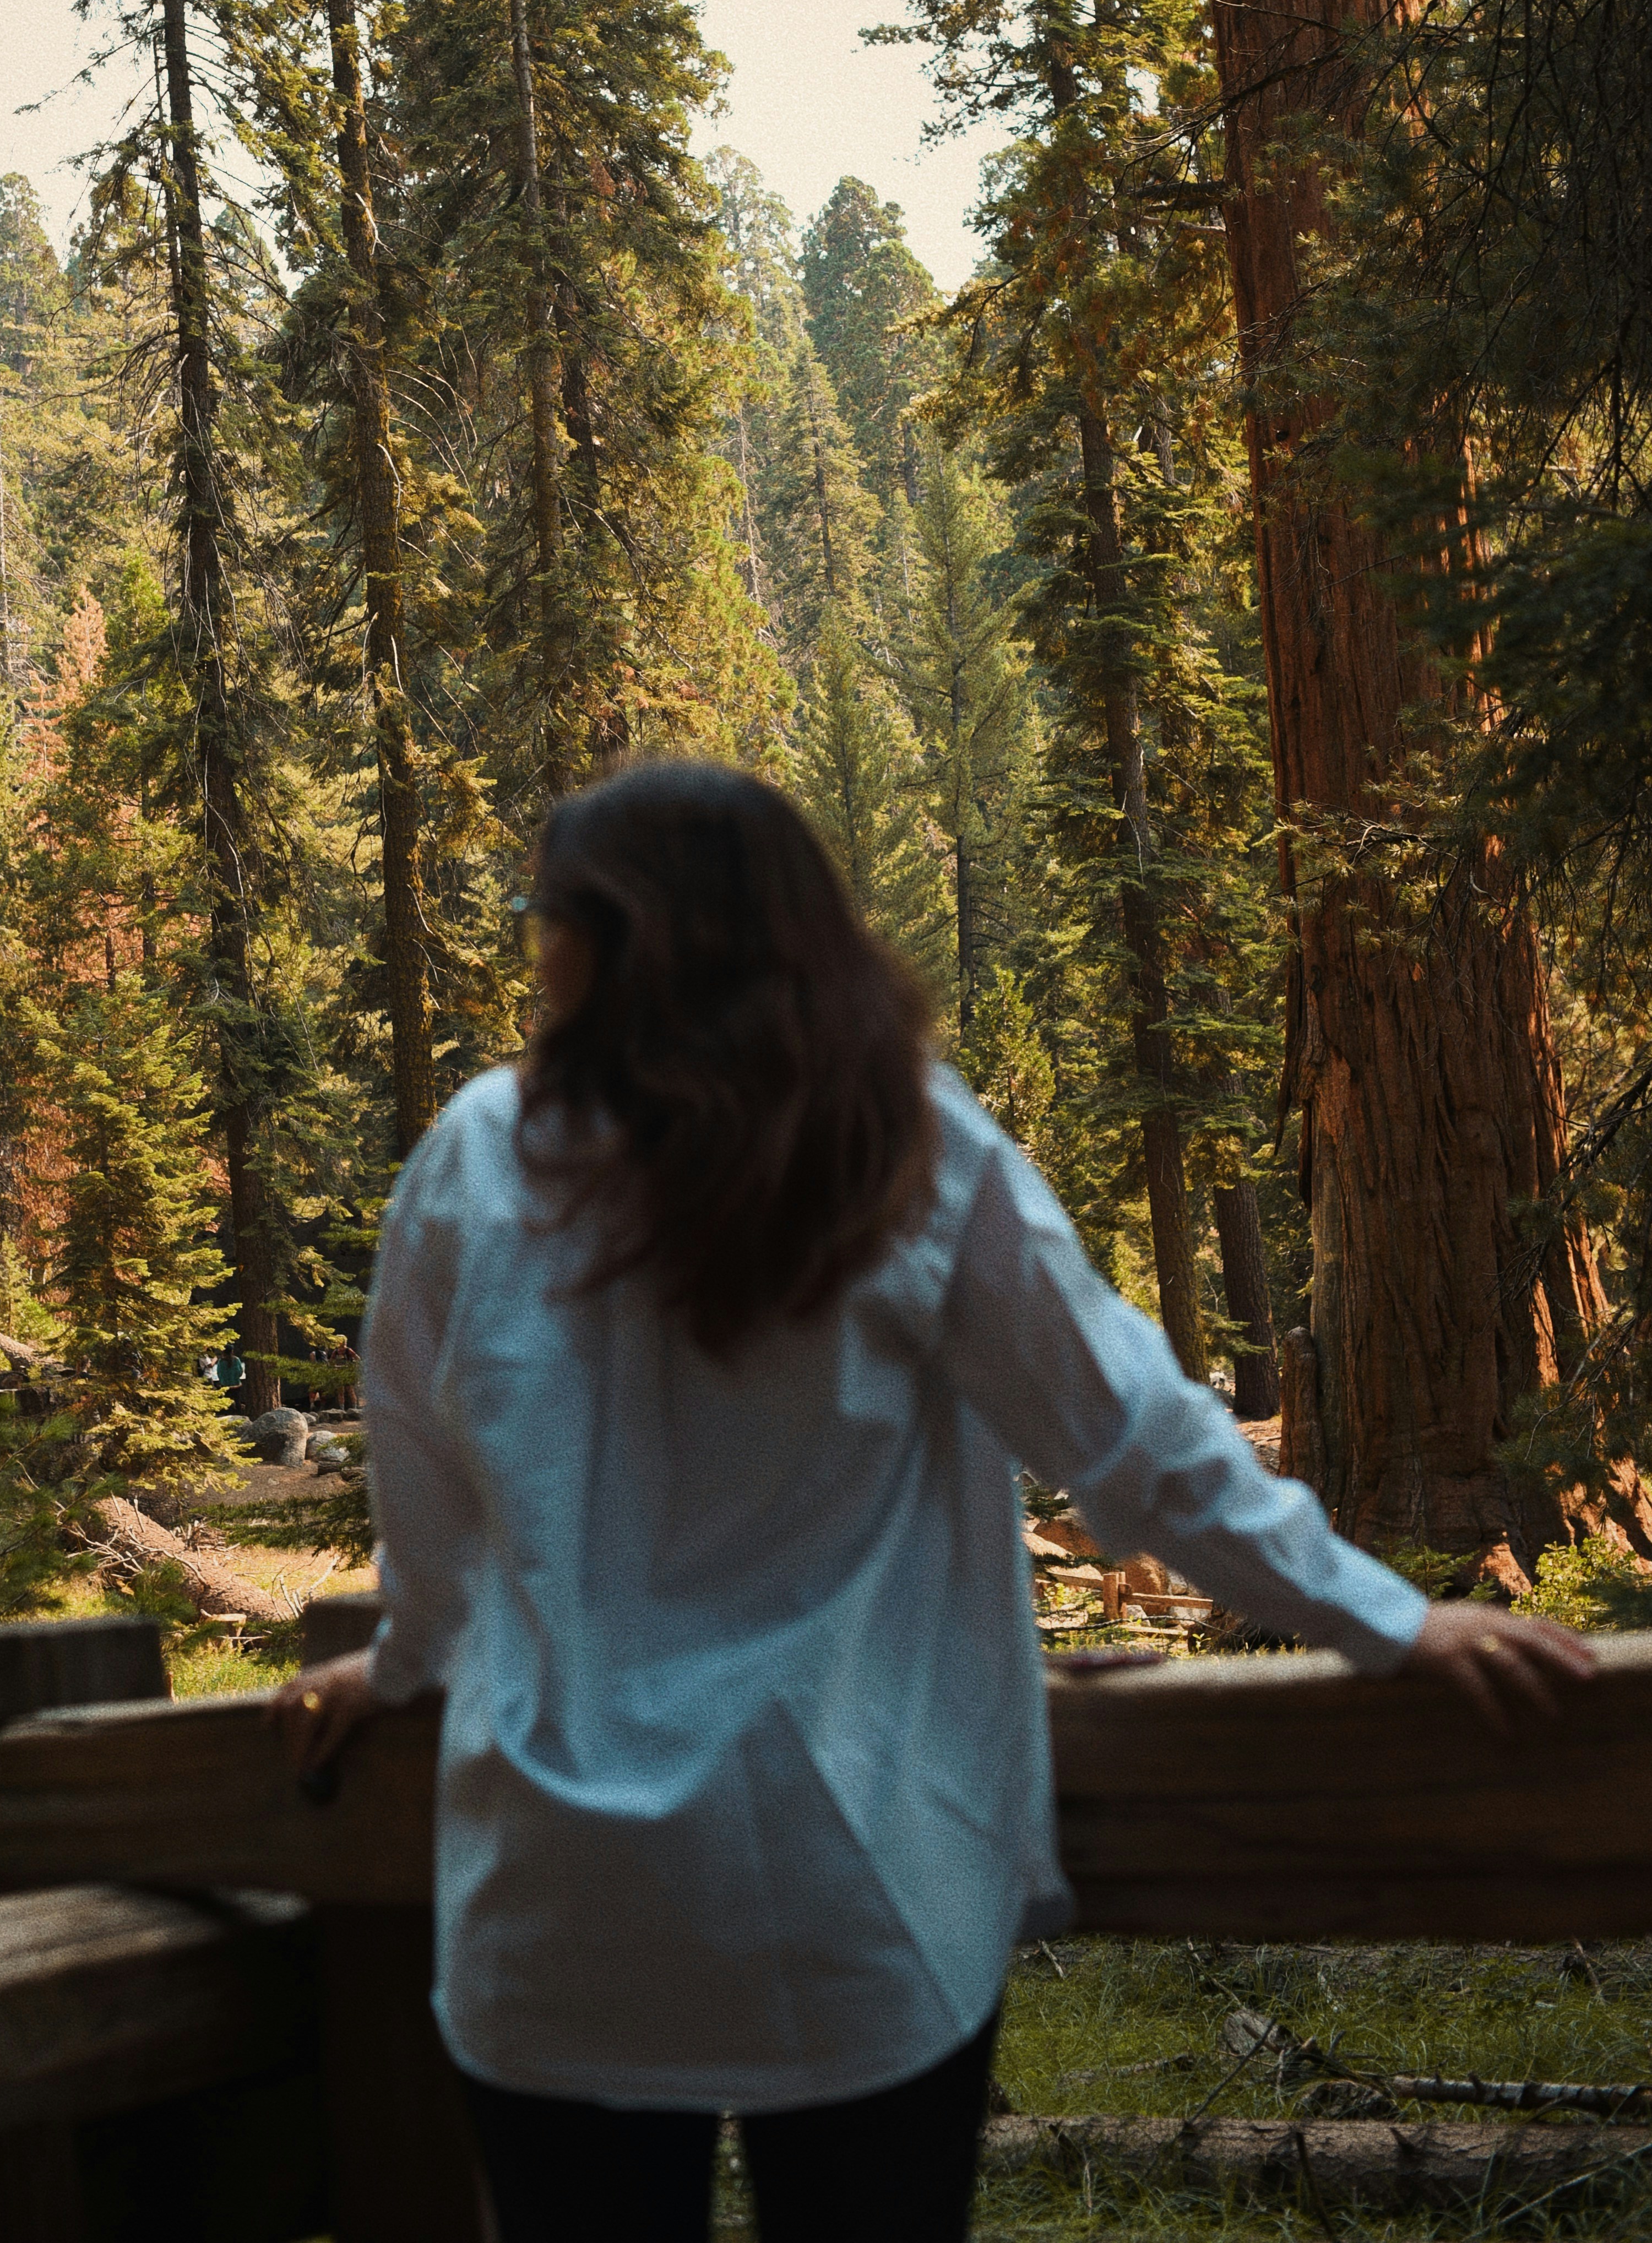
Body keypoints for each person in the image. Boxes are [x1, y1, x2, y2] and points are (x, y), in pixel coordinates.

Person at [276, 762, 1595, 2243]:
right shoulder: (900, 1144)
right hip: (852, 1887)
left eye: (550, 919)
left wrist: (393, 1674)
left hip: (561, 1906)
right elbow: (1138, 1442)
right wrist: (1389, 1619)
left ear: (611, 941)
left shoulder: (473, 1159)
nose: (536, 953)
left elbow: (433, 1519)